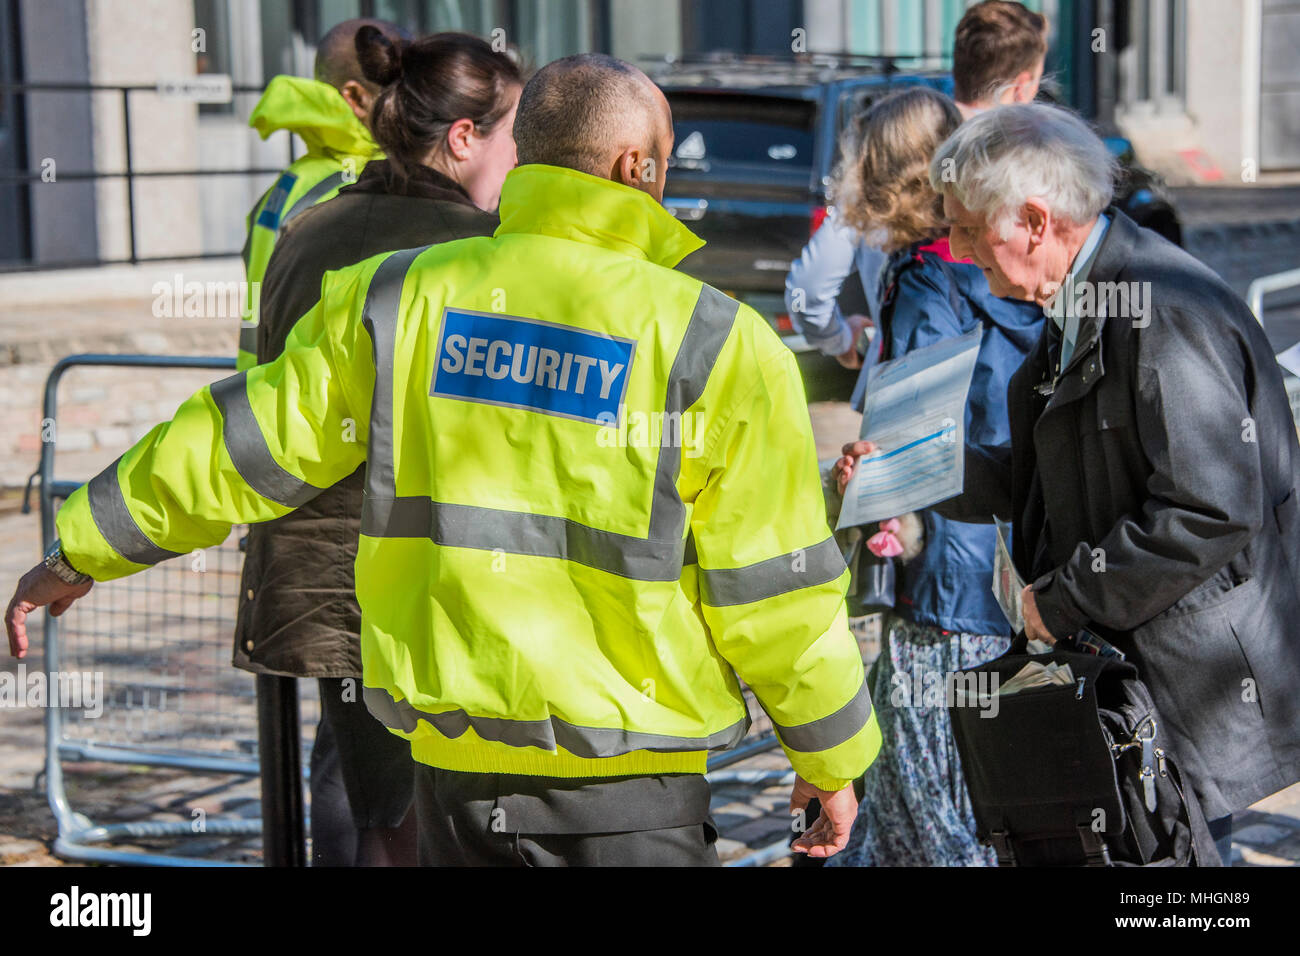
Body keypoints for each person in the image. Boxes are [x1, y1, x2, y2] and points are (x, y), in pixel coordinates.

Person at [7, 54, 880, 867]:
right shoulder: (718, 342)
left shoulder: (397, 296)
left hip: (451, 785)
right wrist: (829, 754)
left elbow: (239, 443)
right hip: (631, 797)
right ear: (633, 171)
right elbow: (777, 591)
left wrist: (80, 545)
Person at [841, 102, 1300, 865]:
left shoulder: (1158, 307)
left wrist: (1058, 602)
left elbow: (1210, 511)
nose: (953, 246)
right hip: (1149, 672)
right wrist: (903, 469)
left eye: (963, 225)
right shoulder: (1085, 292)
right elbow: (1039, 474)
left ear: (1032, 220)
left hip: (1191, 680)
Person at [235, 28, 523, 867]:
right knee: (449, 827)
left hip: (334, 586)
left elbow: (264, 405)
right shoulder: (482, 250)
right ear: (464, 137)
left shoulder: (307, 227)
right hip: (448, 584)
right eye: (512, 136)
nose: (521, 160)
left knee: (378, 817)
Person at [818, 88, 1043, 867]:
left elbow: (913, 447)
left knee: (924, 804)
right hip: (1020, 570)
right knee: (980, 802)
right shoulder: (1008, 263)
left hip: (945, 582)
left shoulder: (922, 278)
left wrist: (848, 483)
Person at [785, 0, 1047, 370]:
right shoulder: (1036, 163)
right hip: (1018, 384)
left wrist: (843, 341)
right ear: (1021, 87)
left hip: (908, 384)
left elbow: (808, 289)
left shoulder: (898, 149)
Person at [236, 17, 408, 371]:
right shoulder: (368, 182)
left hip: (263, 390)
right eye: (403, 89)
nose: (418, 102)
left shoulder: (292, 181)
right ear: (356, 97)